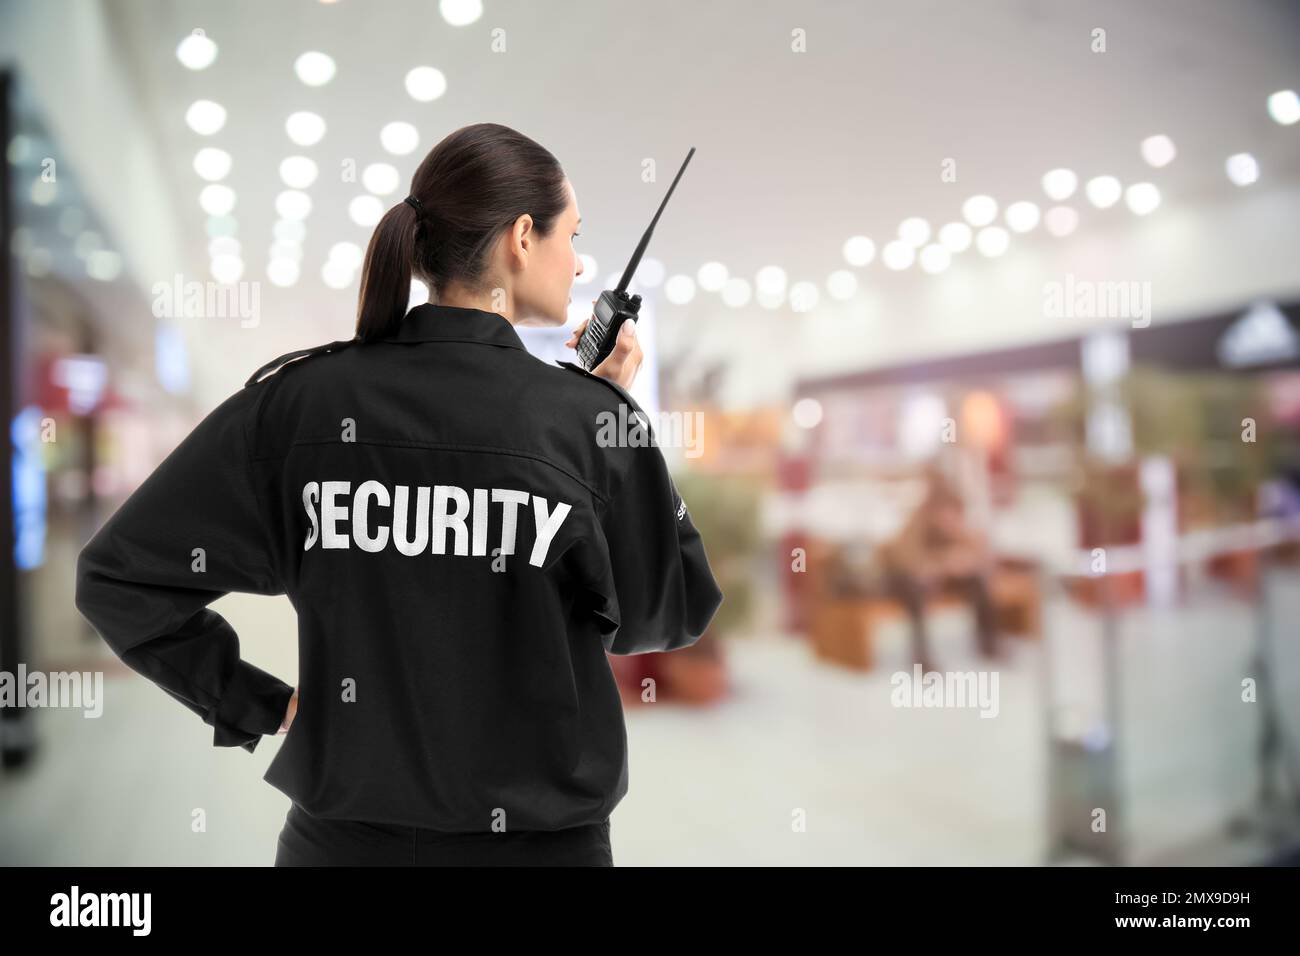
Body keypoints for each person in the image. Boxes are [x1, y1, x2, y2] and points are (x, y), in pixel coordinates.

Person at [74, 122, 724, 866]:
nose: (579, 266)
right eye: (572, 237)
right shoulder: (584, 423)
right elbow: (669, 613)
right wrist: (618, 421)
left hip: (339, 847)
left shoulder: (297, 406)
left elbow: (117, 579)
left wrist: (262, 704)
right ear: (520, 238)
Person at [877, 467, 998, 672]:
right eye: (945, 515)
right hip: (896, 578)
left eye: (954, 515)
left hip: (933, 579)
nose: (950, 520)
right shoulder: (917, 524)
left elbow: (979, 556)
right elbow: (910, 563)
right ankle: (921, 660)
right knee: (916, 593)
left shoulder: (954, 526)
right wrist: (943, 562)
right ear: (933, 513)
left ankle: (989, 644)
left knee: (978, 580)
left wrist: (964, 557)